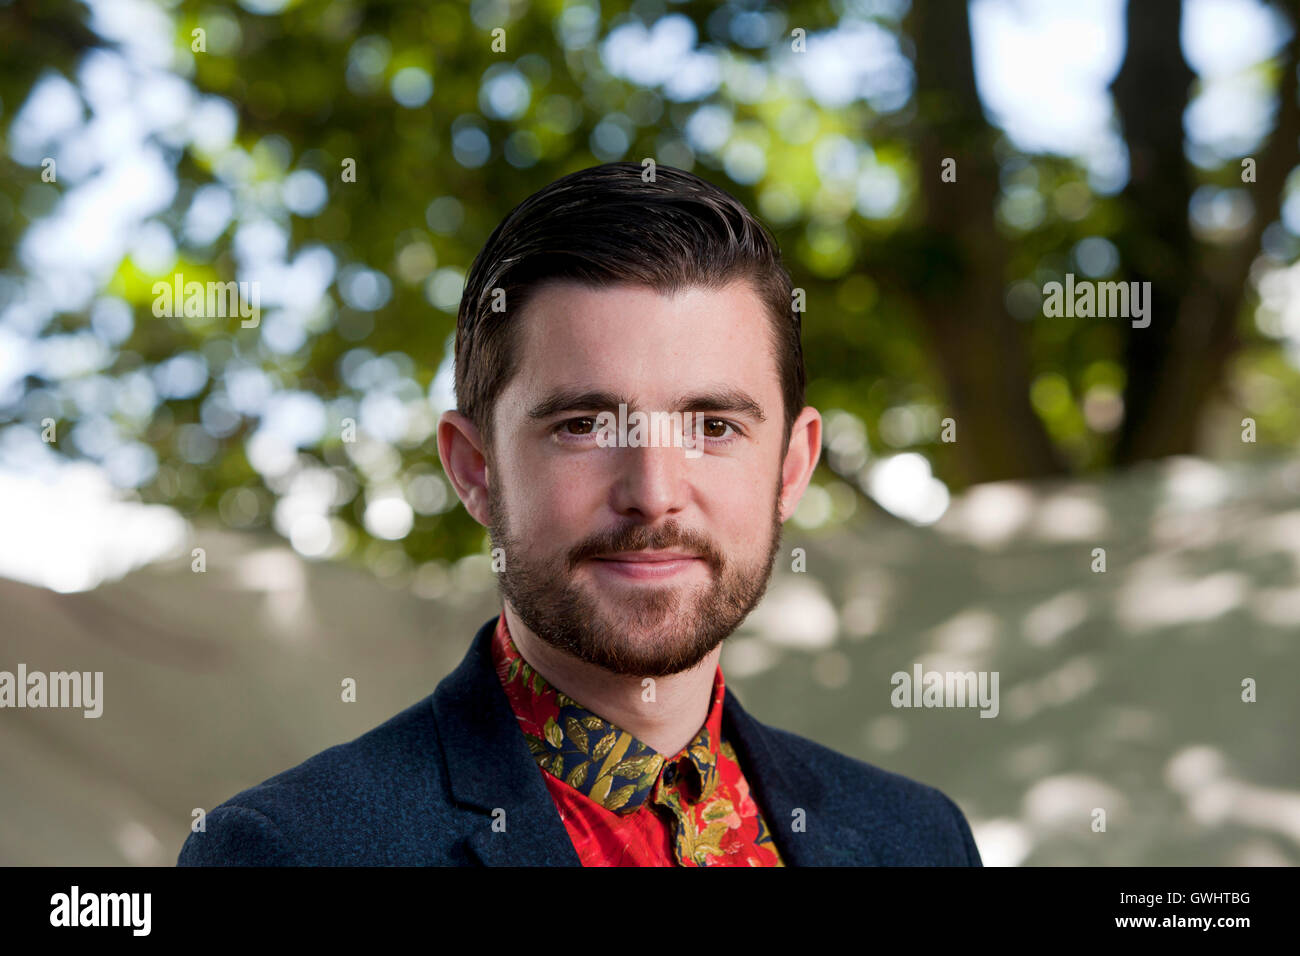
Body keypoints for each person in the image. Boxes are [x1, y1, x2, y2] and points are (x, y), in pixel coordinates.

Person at [177, 162, 982, 866]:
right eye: (584, 425)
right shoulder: (292, 853)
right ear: (475, 469)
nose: (654, 491)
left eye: (713, 426)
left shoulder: (918, 839)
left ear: (791, 467)